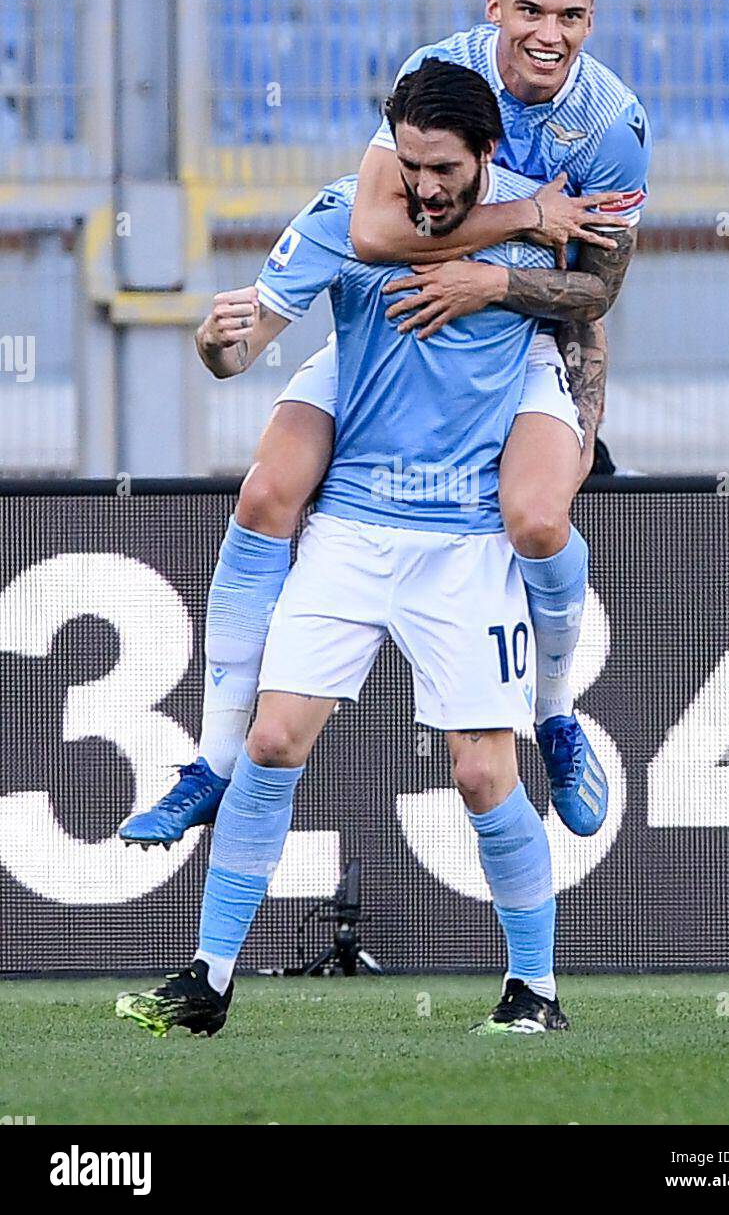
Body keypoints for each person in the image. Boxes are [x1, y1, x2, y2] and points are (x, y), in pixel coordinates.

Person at [119, 0, 648, 851]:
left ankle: (557, 717)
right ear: (494, 10)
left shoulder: (611, 129)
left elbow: (597, 292)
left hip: (512, 348)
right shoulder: (427, 98)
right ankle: (211, 761)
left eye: (569, 15)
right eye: (529, 9)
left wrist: (492, 281)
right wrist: (216, 345)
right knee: (267, 491)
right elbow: (361, 236)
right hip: (378, 357)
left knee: (536, 520)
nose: (548, 33)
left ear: (593, 21)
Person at [116, 60, 617, 1037]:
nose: (426, 188)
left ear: (486, 156)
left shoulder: (535, 220)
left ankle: (535, 990)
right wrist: (215, 339)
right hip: (350, 525)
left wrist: (573, 426)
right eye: (411, 164)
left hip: (464, 538)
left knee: (481, 774)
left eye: (446, 169)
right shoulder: (349, 216)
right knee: (271, 739)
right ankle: (209, 976)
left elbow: (589, 313)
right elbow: (243, 344)